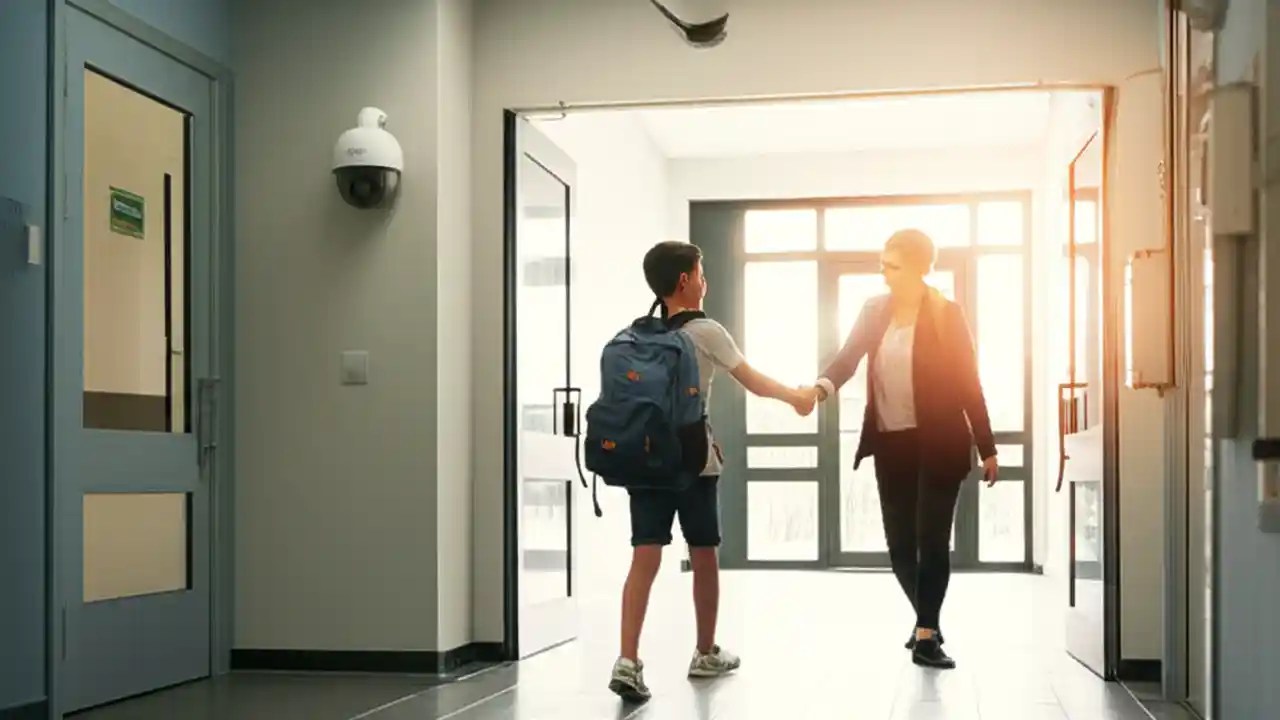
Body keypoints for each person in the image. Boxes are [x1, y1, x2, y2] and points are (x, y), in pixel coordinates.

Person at [609, 241, 816, 702]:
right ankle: (705, 653)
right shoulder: (705, 331)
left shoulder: (636, 336)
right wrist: (798, 397)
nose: (705, 282)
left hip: (644, 464)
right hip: (694, 465)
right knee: (704, 553)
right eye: (701, 274)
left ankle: (627, 660)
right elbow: (754, 381)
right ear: (685, 281)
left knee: (644, 557)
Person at [808, 228, 998, 670]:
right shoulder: (874, 310)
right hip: (891, 444)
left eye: (892, 266)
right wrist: (819, 389)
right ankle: (927, 620)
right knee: (899, 547)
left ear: (917, 268)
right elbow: (848, 357)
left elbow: (969, 382)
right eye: (883, 264)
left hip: (940, 444)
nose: (884, 273)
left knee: (931, 540)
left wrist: (987, 446)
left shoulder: (946, 314)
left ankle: (926, 635)